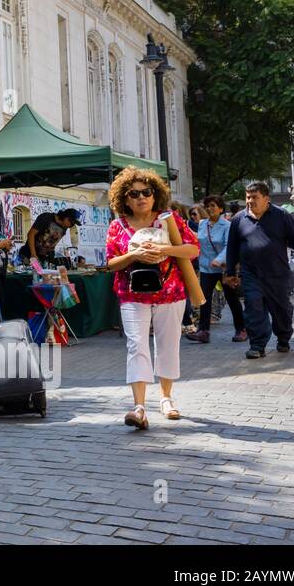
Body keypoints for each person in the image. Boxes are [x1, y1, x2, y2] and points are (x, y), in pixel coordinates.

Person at [105, 167, 199, 430]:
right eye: (133, 194)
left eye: (146, 192)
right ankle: (139, 406)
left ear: (154, 194)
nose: (141, 197)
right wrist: (134, 255)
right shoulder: (117, 226)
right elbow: (111, 263)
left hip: (170, 293)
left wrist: (163, 249)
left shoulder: (170, 220)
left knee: (168, 344)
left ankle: (166, 398)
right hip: (131, 294)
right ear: (125, 199)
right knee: (137, 345)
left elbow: (192, 249)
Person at [224, 182, 294, 359]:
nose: (250, 201)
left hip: (278, 274)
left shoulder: (282, 215)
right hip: (251, 274)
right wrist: (230, 271)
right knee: (253, 308)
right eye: (248, 197)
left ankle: (283, 337)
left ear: (266, 199)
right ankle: (257, 345)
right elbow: (232, 247)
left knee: (281, 311)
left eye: (254, 197)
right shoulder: (239, 219)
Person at [187, 195, 247, 344]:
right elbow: (197, 240)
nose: (210, 208)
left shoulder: (227, 226)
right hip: (206, 268)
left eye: (213, 206)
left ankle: (241, 329)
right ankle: (203, 331)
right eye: (207, 206)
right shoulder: (202, 224)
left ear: (220, 209)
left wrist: (219, 260)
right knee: (204, 299)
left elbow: (230, 246)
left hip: (224, 268)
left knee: (232, 299)